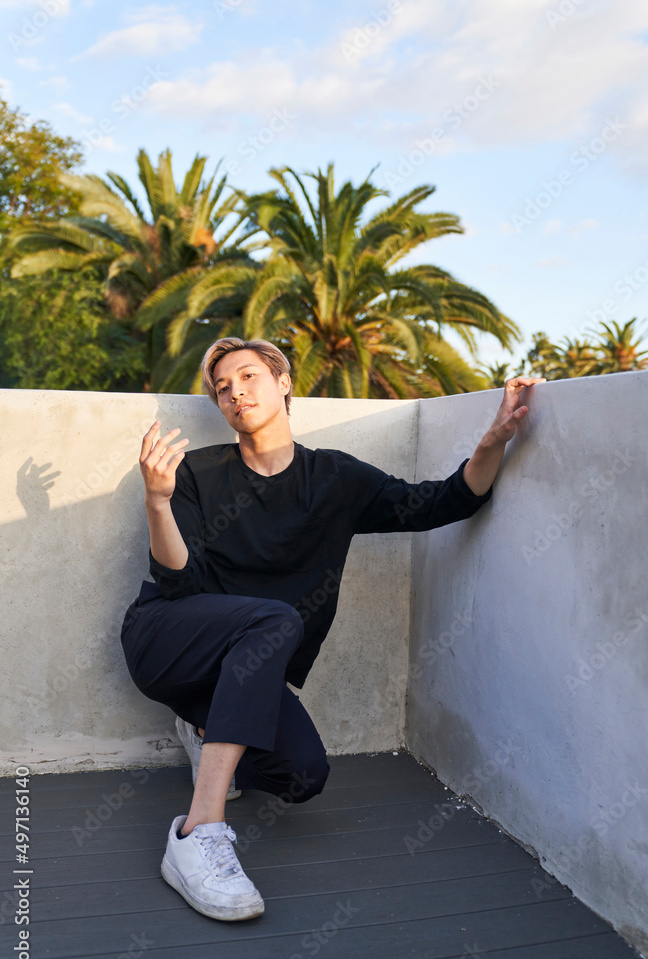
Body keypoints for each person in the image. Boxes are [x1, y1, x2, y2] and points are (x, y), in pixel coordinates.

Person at [119, 336, 544, 922]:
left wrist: (494, 439)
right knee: (272, 618)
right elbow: (177, 583)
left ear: (283, 382)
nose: (235, 392)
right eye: (222, 387)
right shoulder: (196, 472)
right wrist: (157, 503)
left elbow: (438, 504)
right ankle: (198, 834)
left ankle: (203, 725)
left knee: (302, 776)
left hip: (239, 671)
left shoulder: (335, 479)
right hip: (166, 639)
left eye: (247, 376)